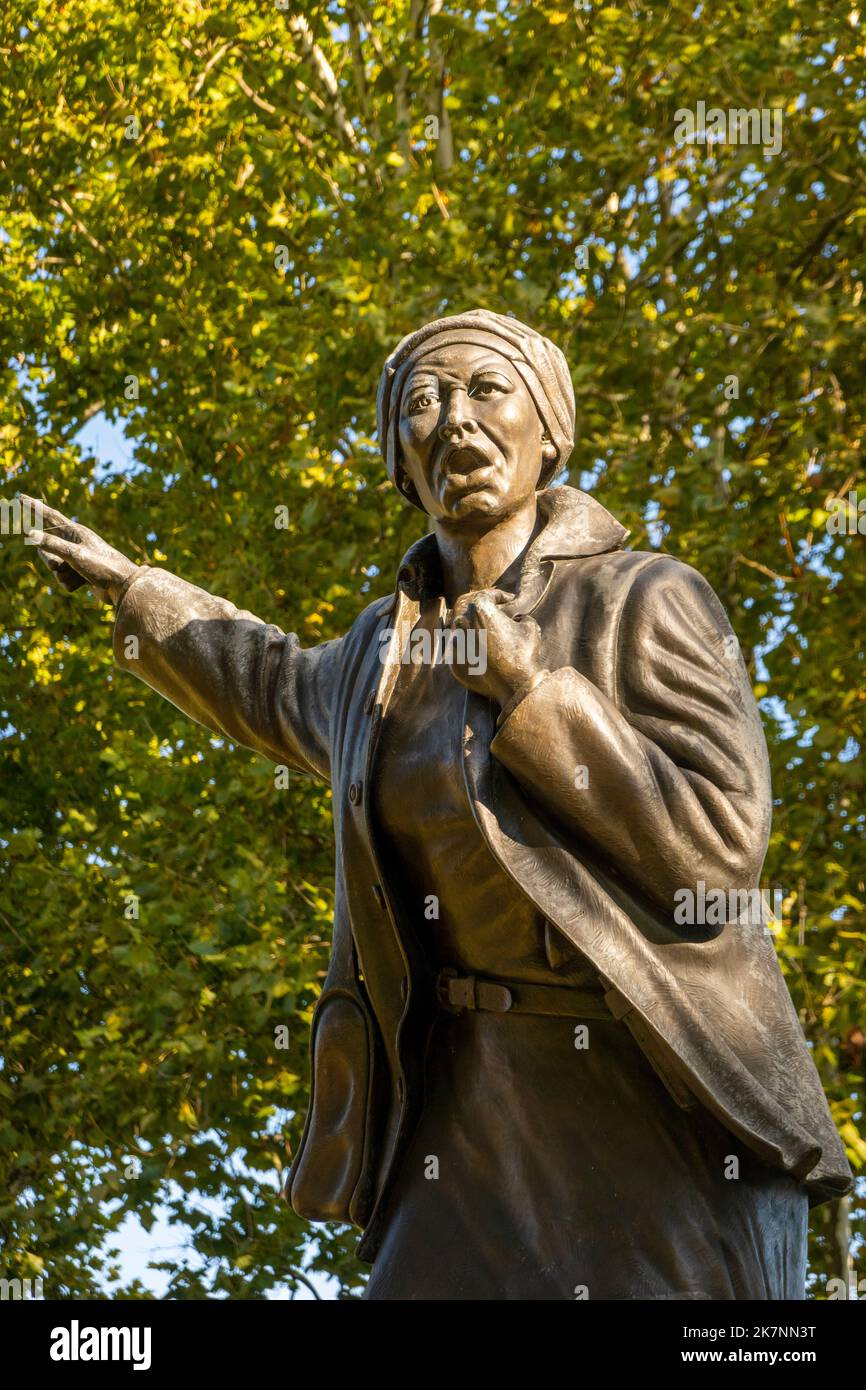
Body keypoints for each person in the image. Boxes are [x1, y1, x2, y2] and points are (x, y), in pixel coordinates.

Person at [20, 308, 852, 1300]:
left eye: (485, 391)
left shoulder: (643, 597)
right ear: (399, 464)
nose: (453, 420)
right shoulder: (381, 651)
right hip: (457, 1109)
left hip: (640, 1094)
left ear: (549, 430)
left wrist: (537, 691)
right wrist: (135, 591)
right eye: (421, 404)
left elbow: (716, 852)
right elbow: (266, 680)